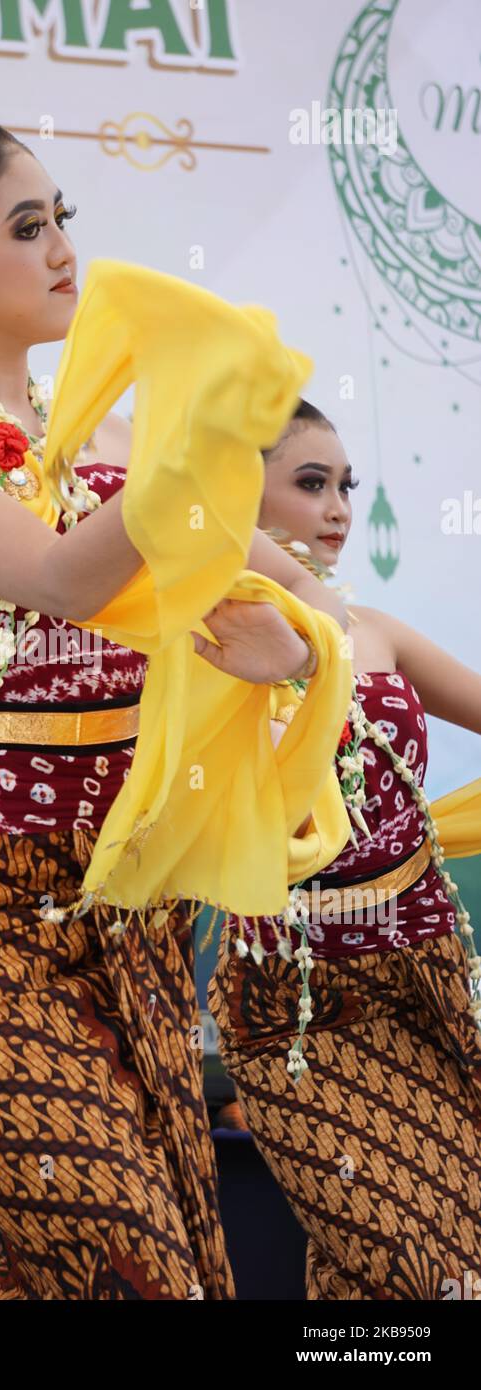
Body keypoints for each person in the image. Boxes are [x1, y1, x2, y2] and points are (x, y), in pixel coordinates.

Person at [0, 45, 349, 1300]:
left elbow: (308, 595)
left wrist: (293, 648)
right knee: (125, 1263)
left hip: (118, 888)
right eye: (26, 226)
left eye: (62, 219)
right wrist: (192, 455)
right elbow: (59, 578)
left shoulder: (104, 440)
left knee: (163, 1272)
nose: (62, 252)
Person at [207, 399, 481, 1300]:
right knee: (426, 1271)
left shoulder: (376, 632)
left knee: (371, 1284)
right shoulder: (200, 639)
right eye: (311, 482)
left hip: (427, 974)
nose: (337, 509)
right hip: (297, 1004)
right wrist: (296, 665)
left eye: (346, 487)